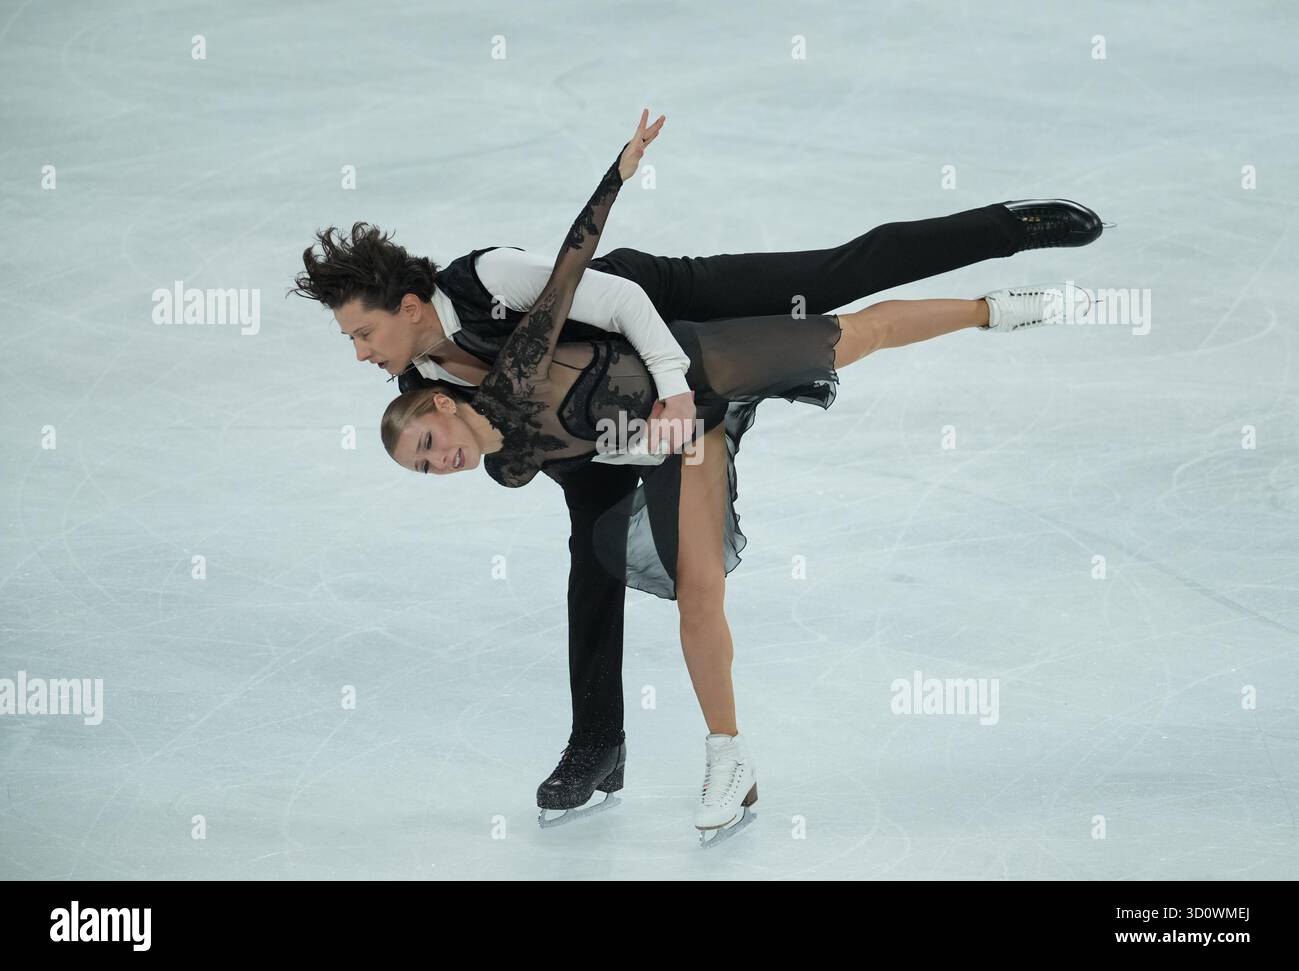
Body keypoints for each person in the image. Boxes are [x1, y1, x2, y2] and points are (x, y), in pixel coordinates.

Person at [291, 109, 1106, 826]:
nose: (361, 354)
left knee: (829, 281)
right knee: (591, 564)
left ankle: (1007, 228)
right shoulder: (417, 387)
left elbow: (609, 299)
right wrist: (616, 456)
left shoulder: (485, 280)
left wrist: (676, 392)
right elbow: (510, 435)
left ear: (405, 307)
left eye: (362, 334)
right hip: (603, 423)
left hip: (664, 317)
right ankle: (597, 745)